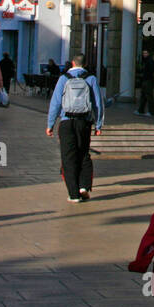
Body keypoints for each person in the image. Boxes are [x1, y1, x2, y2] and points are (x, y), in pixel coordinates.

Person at [46, 55, 101, 202]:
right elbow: (97, 103)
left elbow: (56, 102)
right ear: (85, 64)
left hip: (66, 122)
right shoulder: (91, 78)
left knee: (68, 157)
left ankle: (73, 194)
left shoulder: (64, 78)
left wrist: (50, 124)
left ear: (72, 63)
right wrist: (99, 124)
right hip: (84, 122)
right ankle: (84, 186)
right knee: (83, 153)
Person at [136, 47, 154, 117]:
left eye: (146, 53)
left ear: (148, 53)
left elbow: (150, 71)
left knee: (149, 96)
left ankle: (151, 111)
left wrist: (145, 75)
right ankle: (141, 110)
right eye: (143, 53)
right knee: (143, 96)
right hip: (145, 80)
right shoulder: (145, 61)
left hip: (148, 80)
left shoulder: (150, 61)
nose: (144, 54)